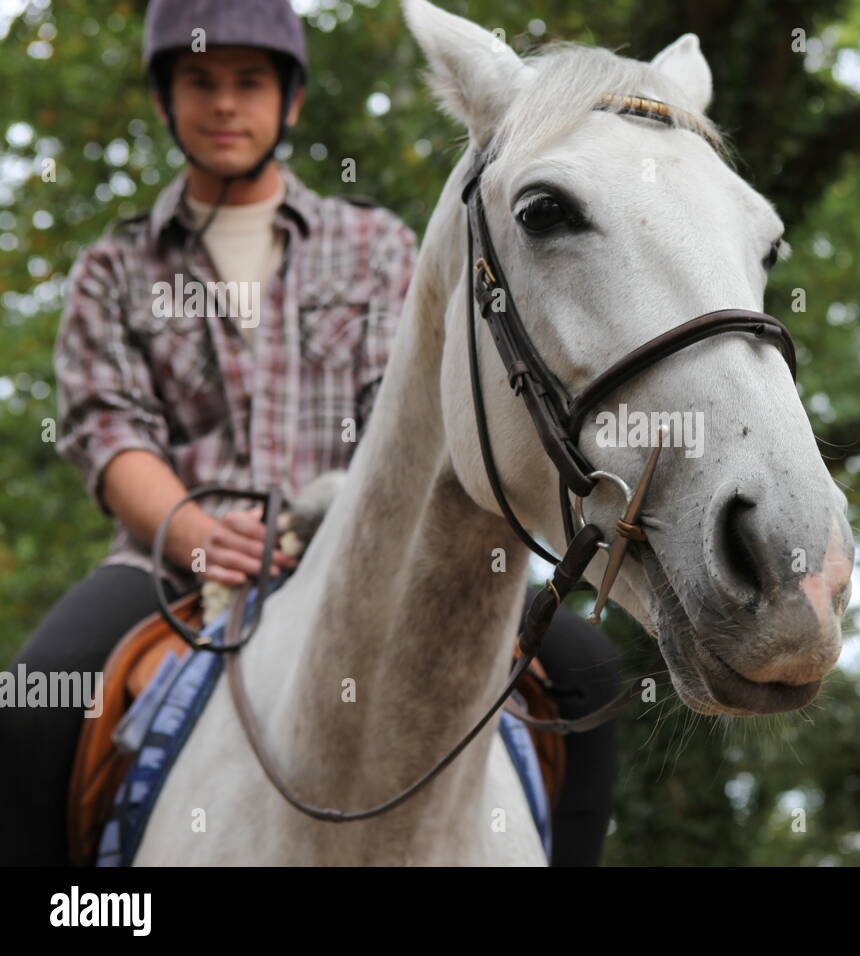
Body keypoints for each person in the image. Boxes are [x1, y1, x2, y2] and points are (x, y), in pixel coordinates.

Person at [0, 0, 618, 867]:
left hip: (364, 550)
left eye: (249, 82)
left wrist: (330, 523)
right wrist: (195, 533)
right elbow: (108, 430)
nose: (225, 103)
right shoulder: (116, 268)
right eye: (200, 82)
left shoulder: (372, 246)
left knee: (589, 669)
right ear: (166, 101)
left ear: (288, 101)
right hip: (170, 568)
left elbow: (408, 417)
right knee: (30, 699)